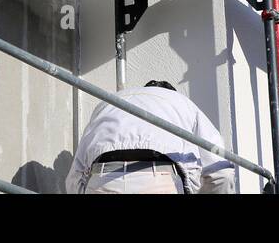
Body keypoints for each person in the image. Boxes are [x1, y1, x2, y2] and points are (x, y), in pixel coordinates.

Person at [66, 80, 235, 194]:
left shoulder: (108, 103)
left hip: (102, 179)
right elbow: (221, 173)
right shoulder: (183, 103)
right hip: (158, 182)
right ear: (170, 93)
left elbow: (75, 175)